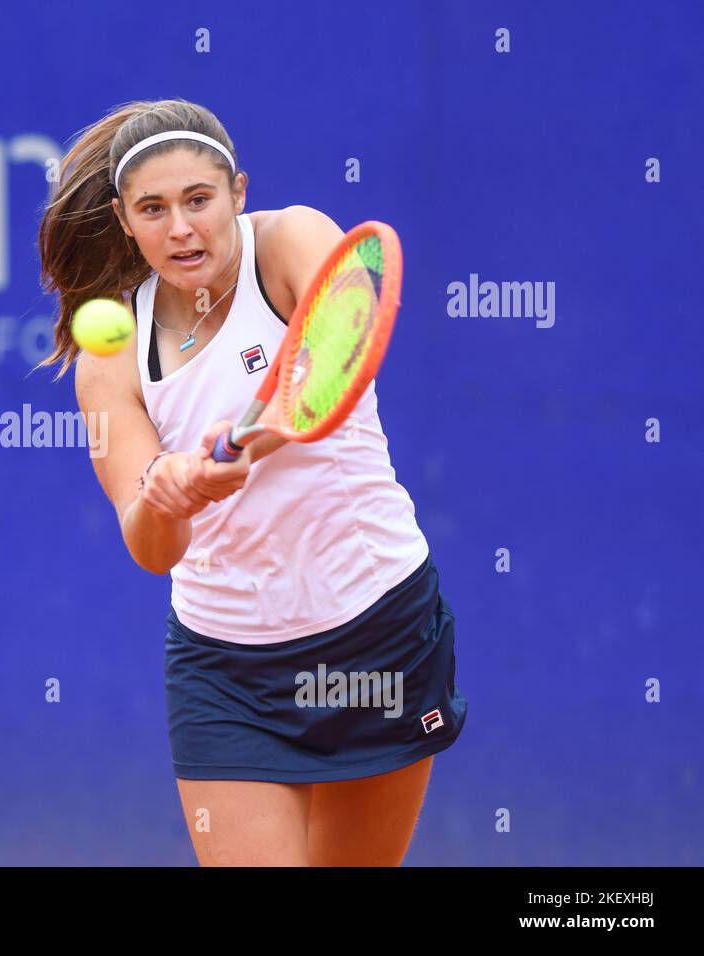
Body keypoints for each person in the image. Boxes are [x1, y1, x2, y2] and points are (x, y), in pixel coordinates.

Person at [35, 99, 468, 866]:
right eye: (153, 209)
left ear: (238, 192)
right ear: (123, 219)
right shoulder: (112, 350)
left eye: (199, 200)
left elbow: (326, 358)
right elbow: (151, 546)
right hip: (225, 666)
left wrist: (250, 437)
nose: (181, 229)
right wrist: (170, 494)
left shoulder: (292, 238)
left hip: (374, 629)